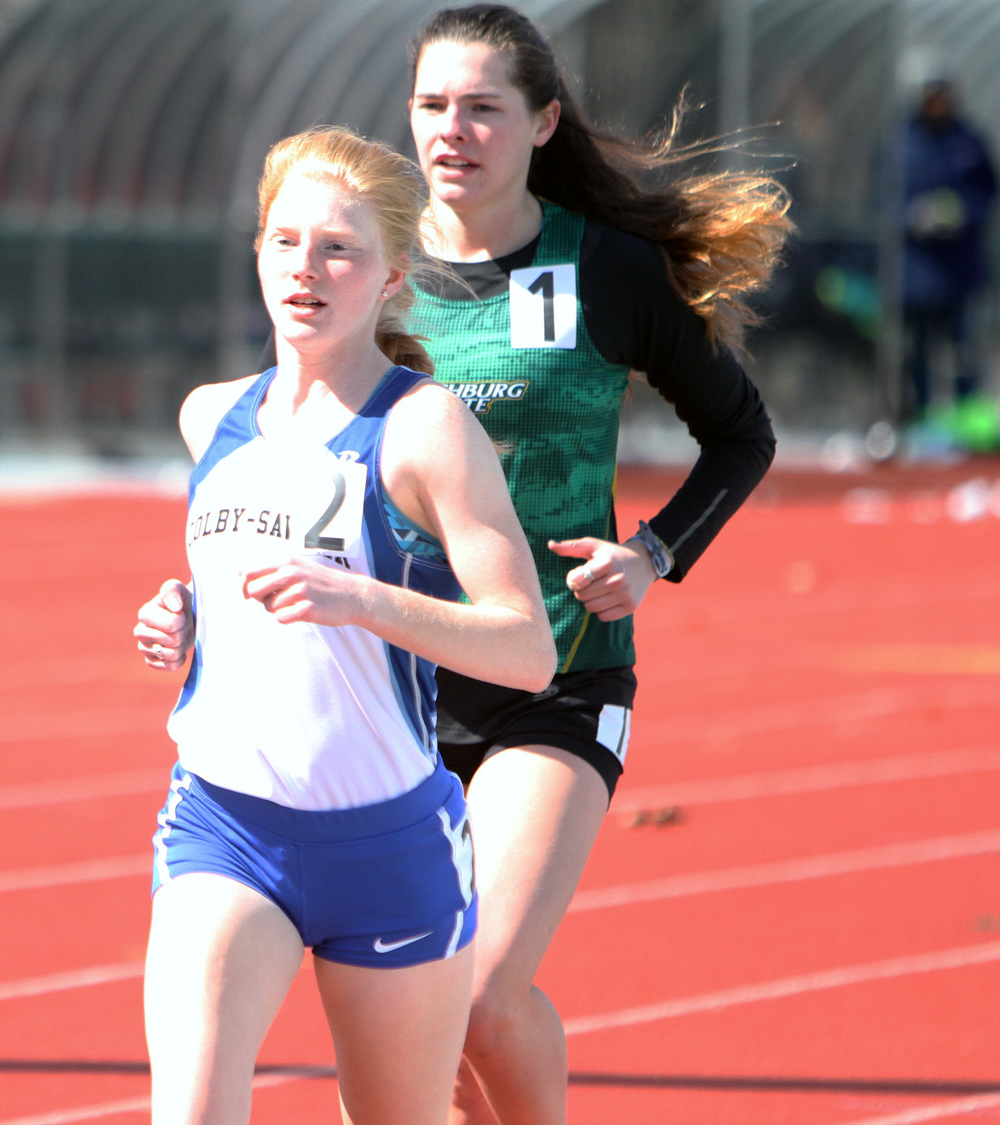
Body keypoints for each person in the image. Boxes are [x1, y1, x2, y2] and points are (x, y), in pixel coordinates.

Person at [394, 6, 791, 1122]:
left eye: (481, 108)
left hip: (553, 680)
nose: (451, 130)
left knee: (470, 998)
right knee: (394, 1039)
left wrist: (653, 553)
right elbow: (293, 453)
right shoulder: (367, 269)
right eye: (431, 106)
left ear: (541, 122)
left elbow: (740, 433)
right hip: (387, 691)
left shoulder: (602, 268)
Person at [131, 125, 555, 1125]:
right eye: (284, 242)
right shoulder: (210, 418)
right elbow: (233, 578)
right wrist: (180, 614)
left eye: (337, 249)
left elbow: (525, 647)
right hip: (225, 825)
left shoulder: (423, 430)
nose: (305, 269)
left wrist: (359, 600)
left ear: (391, 276)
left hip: (388, 850)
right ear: (256, 254)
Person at [901, 78, 1000, 430]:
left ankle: (968, 418)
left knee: (963, 348)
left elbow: (990, 191)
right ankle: (923, 418)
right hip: (918, 271)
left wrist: (963, 213)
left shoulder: (970, 141)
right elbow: (885, 199)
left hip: (960, 267)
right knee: (920, 349)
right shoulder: (903, 142)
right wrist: (915, 216)